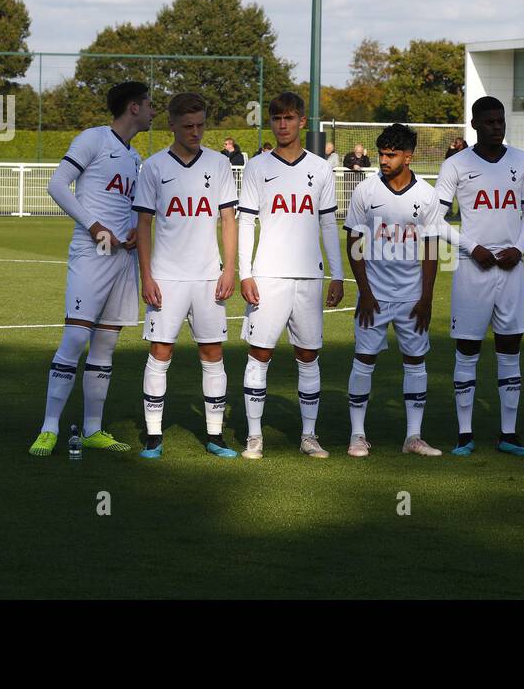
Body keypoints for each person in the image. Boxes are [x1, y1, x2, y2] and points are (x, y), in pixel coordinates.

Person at [29, 81, 151, 457]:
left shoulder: (134, 157)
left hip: (122, 259)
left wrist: (131, 229)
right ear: (132, 107)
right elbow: (57, 185)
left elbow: (129, 204)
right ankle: (49, 427)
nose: (152, 111)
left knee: (106, 344)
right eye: (148, 105)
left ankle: (94, 429)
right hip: (92, 250)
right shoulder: (93, 139)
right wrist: (96, 226)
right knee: (76, 339)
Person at [236, 92, 344, 459]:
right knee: (259, 354)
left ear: (302, 122)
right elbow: (246, 221)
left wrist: (338, 274)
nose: (282, 125)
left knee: (308, 355)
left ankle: (309, 436)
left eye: (289, 118)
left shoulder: (321, 168)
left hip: (309, 278)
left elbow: (329, 224)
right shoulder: (257, 167)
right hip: (267, 276)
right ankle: (254, 437)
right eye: (276, 119)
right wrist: (245, 273)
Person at [132, 93, 238, 459]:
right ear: (172, 125)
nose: (196, 132)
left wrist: (229, 268)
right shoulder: (154, 167)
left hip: (209, 277)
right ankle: (153, 434)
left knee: (212, 353)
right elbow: (143, 225)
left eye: (201, 125)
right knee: (161, 352)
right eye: (188, 126)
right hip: (167, 277)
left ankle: (215, 434)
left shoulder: (220, 164)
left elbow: (228, 220)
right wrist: (146, 276)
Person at [434, 96, 524, 457]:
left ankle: (509, 434)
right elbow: (434, 221)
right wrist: (471, 247)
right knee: (467, 351)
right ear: (475, 124)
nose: (497, 126)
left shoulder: (522, 162)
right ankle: (465, 434)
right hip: (473, 271)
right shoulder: (456, 164)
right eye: (489, 121)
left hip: (510, 269)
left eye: (501, 121)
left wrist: (519, 249)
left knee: (510, 351)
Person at [343, 124, 444, 457]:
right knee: (364, 359)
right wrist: (366, 292)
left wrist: (426, 298)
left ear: (408, 156)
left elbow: (431, 249)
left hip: (412, 296)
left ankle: (413, 437)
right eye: (381, 153)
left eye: (391, 154)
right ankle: (357, 435)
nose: (383, 160)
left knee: (415, 362)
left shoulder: (427, 195)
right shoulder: (366, 192)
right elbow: (354, 241)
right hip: (374, 295)